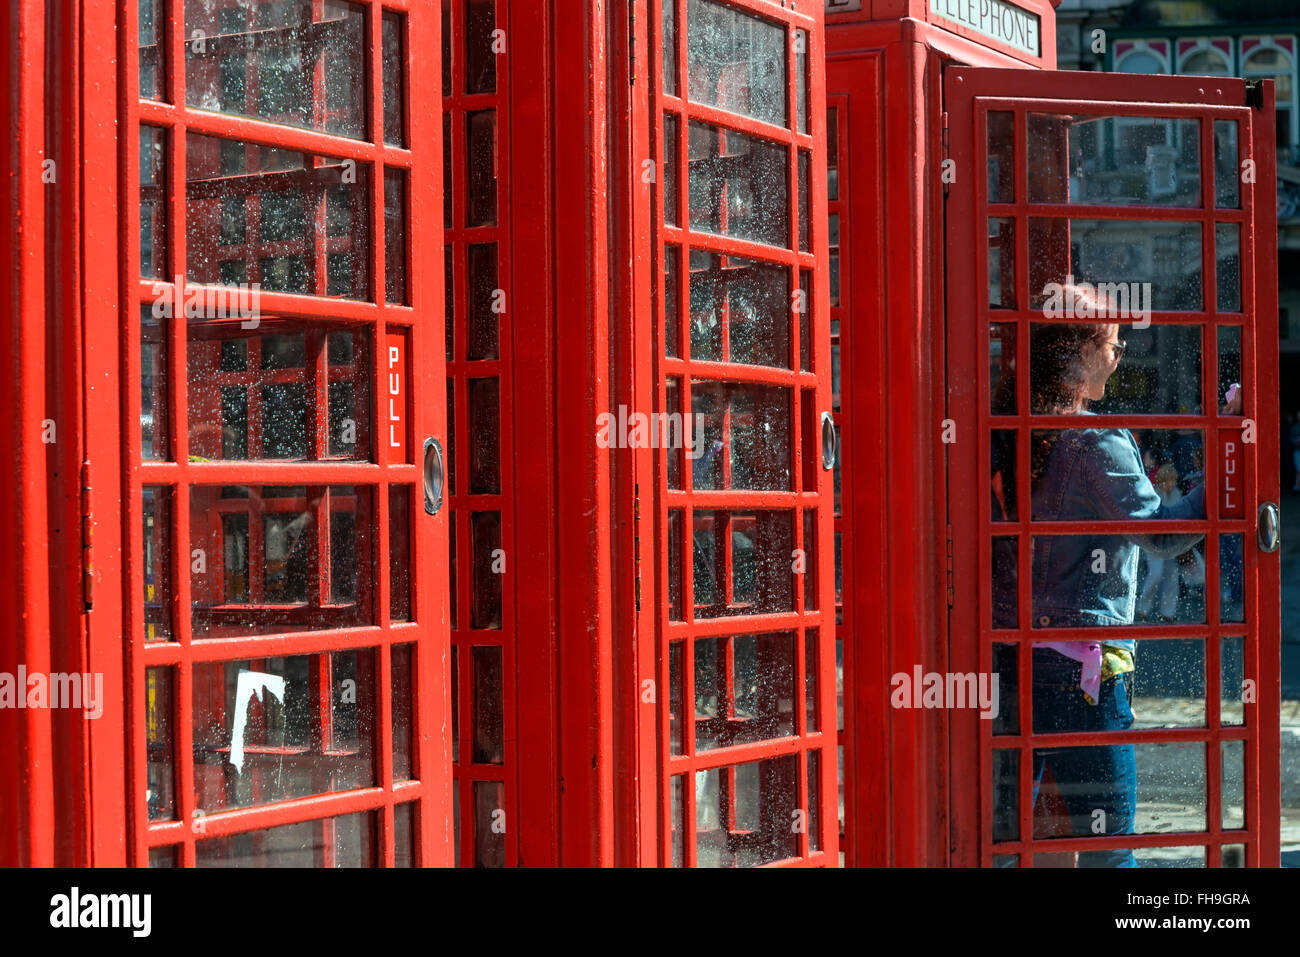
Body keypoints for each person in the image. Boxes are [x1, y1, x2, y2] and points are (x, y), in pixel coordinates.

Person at [1005, 318, 1210, 867]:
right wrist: (1225, 475)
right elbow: (1162, 534)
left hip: (1009, 661)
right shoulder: (1096, 436)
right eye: (1113, 344)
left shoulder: (1010, 429)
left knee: (1002, 843)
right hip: (1084, 672)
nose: (1119, 355)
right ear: (1081, 352)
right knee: (1110, 851)